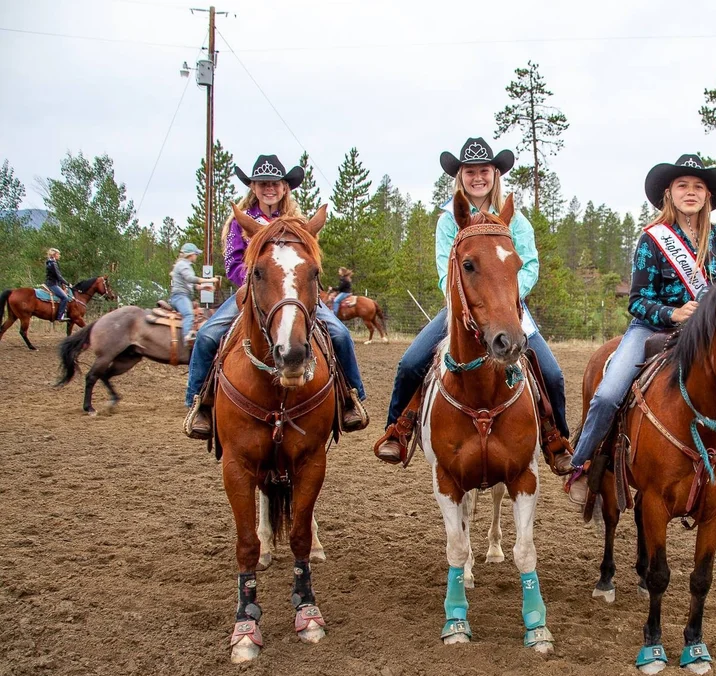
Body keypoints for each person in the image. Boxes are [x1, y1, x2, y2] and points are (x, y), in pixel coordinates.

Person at [373, 137, 574, 476]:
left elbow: (530, 267)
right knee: (410, 363)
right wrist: (464, 303)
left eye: (484, 170)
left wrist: (505, 301)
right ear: (460, 176)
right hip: (461, 307)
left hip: (511, 309)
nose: (477, 177)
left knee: (551, 373)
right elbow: (443, 272)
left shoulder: (517, 221)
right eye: (470, 171)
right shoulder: (448, 221)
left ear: (495, 174)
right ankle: (398, 429)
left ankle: (557, 440)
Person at [566, 153, 716, 506]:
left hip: (708, 332)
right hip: (651, 328)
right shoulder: (652, 239)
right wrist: (673, 313)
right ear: (668, 193)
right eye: (682, 185)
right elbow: (637, 300)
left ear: (707, 197)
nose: (690, 192)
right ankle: (582, 465)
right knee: (608, 394)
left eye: (698, 187)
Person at [183, 154, 367, 439]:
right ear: (253, 188)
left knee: (340, 334)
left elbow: (308, 263)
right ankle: (199, 404)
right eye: (262, 183)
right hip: (254, 292)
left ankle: (350, 398)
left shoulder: (298, 223)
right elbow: (233, 263)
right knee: (207, 335)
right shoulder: (240, 223)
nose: (269, 188)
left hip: (295, 293)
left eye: (275, 183)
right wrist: (259, 284)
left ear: (284, 188)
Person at [169, 242, 217, 343]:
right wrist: (210, 280)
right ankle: (188, 337)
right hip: (180, 296)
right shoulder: (182, 265)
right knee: (188, 314)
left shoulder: (185, 265)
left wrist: (203, 287)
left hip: (183, 296)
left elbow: (188, 283)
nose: (196, 256)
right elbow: (190, 278)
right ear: (190, 255)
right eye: (196, 254)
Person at [45, 248, 71, 321]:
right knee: (65, 297)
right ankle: (60, 316)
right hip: (52, 284)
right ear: (54, 254)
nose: (59, 255)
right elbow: (59, 276)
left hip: (51, 283)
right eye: (58, 254)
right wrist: (67, 283)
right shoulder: (53, 263)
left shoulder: (50, 262)